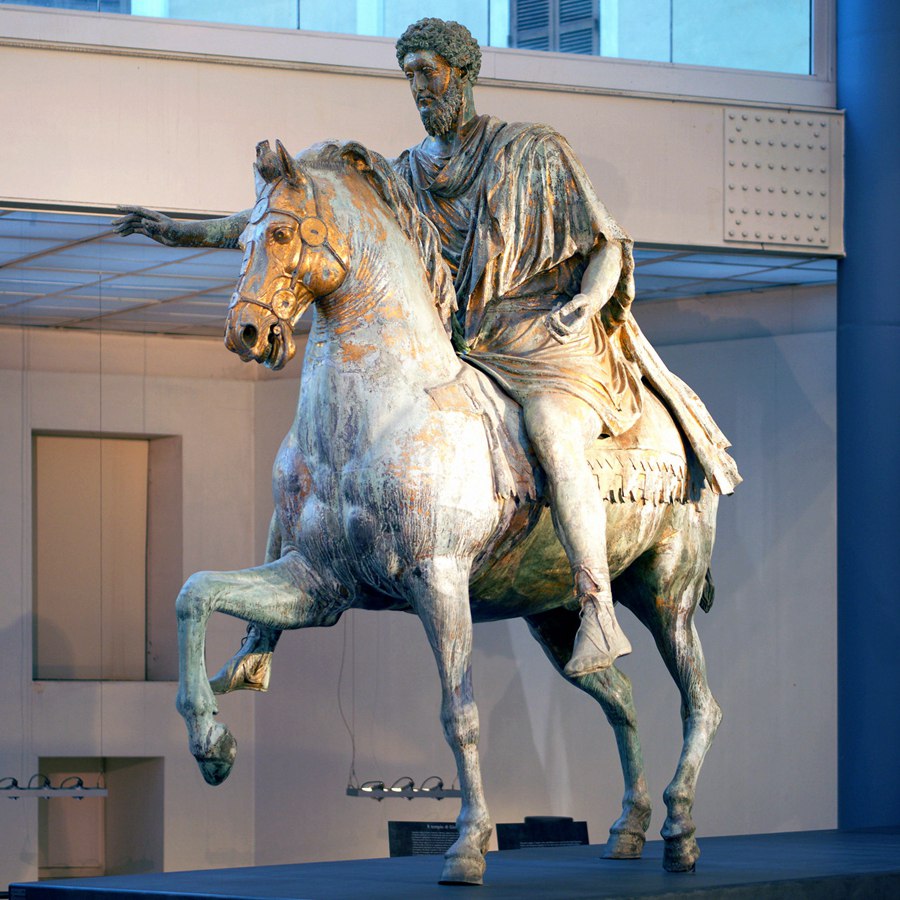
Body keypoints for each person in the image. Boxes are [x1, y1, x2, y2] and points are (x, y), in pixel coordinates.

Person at [115, 18, 739, 684]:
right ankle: (260, 641)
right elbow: (279, 222)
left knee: (553, 429)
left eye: (428, 72)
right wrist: (178, 231)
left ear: (462, 74)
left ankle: (594, 604)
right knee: (312, 473)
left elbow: (606, 243)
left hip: (546, 339)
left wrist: (587, 301)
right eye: (409, 73)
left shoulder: (532, 151)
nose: (418, 87)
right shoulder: (408, 174)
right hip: (466, 345)